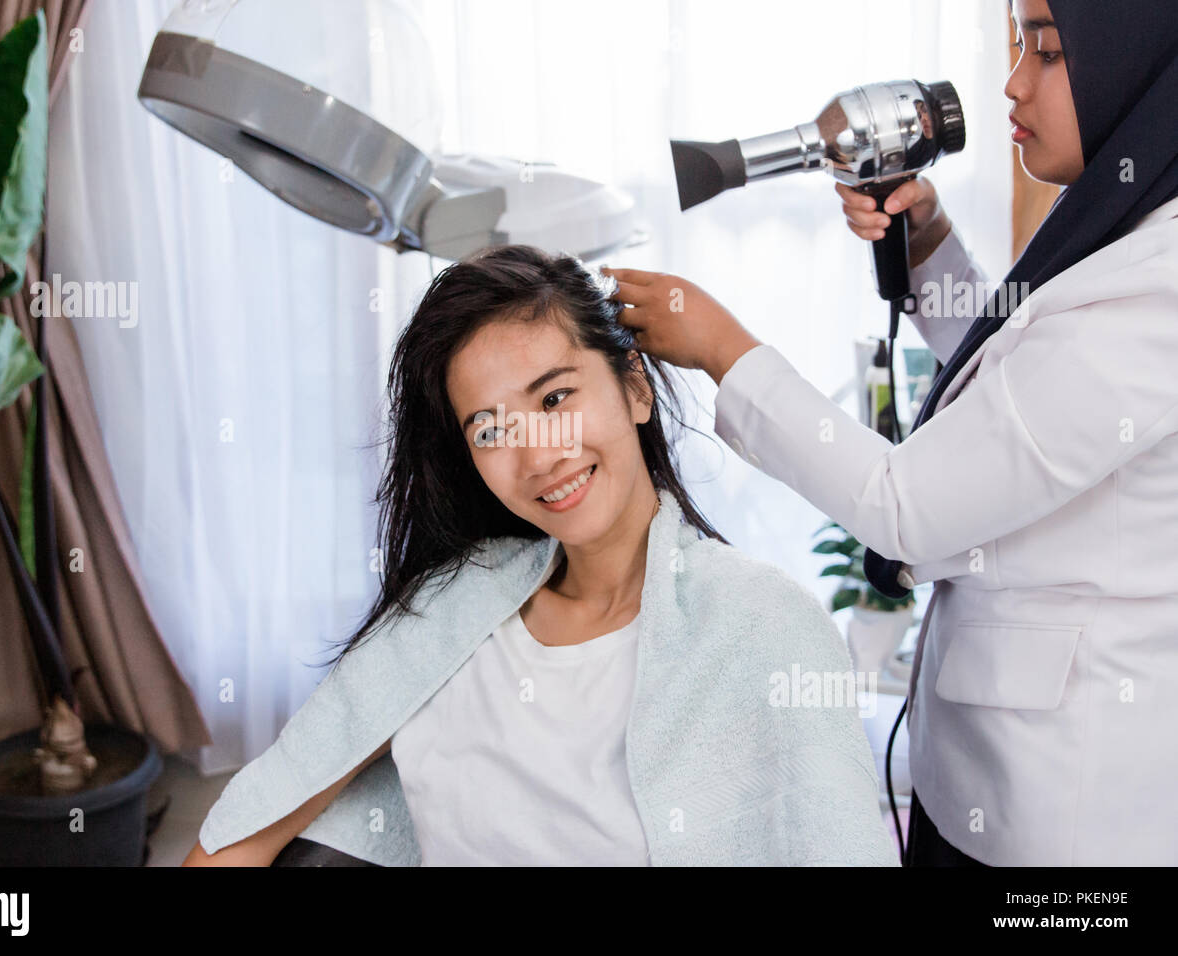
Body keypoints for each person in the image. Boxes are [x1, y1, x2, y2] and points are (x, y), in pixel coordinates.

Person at [601, 0, 1178, 866]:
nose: (1013, 81)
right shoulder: (1126, 222)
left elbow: (903, 506)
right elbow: (1020, 386)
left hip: (1057, 825)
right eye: (1016, 43)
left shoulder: (1156, 293)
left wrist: (724, 349)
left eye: (1049, 51)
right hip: (979, 772)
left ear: (1136, 59)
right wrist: (930, 245)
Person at [183, 244, 897, 866]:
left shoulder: (761, 625)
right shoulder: (447, 610)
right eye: (490, 429)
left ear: (635, 387)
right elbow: (242, 834)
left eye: (554, 398)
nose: (539, 456)